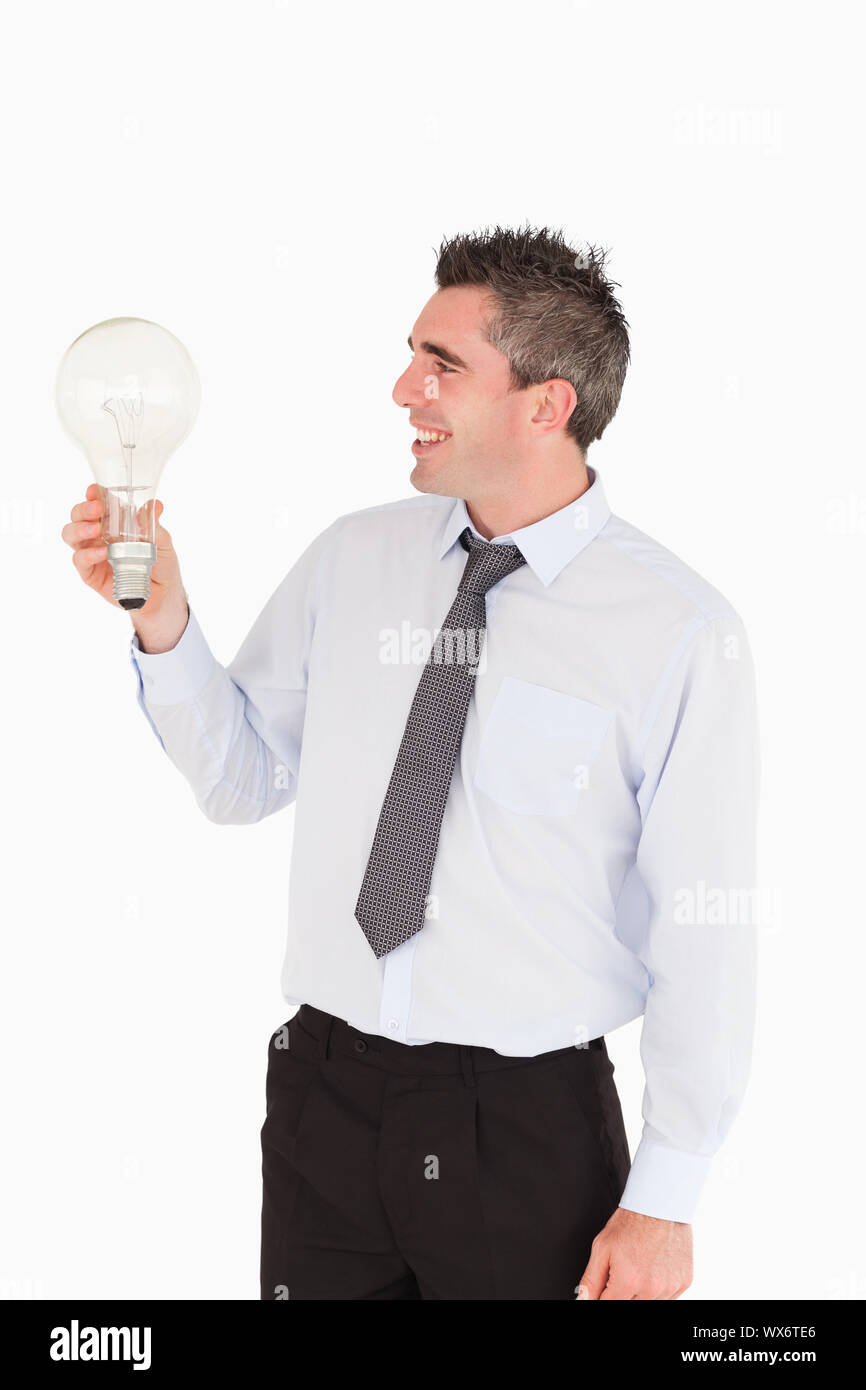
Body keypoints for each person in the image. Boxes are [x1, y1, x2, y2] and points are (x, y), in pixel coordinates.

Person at [61, 225, 759, 1301]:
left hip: (526, 1132)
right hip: (323, 1103)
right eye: (411, 354)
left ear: (546, 403)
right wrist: (163, 621)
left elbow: (703, 928)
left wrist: (666, 1194)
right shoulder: (354, 557)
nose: (403, 388)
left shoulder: (673, 631)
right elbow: (241, 778)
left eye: (443, 364)